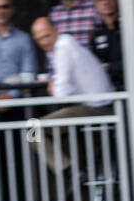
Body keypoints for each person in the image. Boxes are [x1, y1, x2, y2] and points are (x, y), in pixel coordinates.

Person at [29, 17, 113, 174]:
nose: (44, 42)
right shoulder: (67, 44)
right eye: (39, 39)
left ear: (56, 31)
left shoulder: (62, 48)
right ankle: (74, 167)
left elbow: (61, 92)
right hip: (98, 105)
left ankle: (68, 170)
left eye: (46, 36)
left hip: (96, 108)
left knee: (32, 129)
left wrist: (53, 86)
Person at [91, 0, 123, 89]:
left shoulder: (129, 26)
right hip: (107, 90)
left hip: (132, 88)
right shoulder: (96, 33)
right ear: (96, 4)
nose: (105, 3)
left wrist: (108, 67)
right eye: (100, 0)